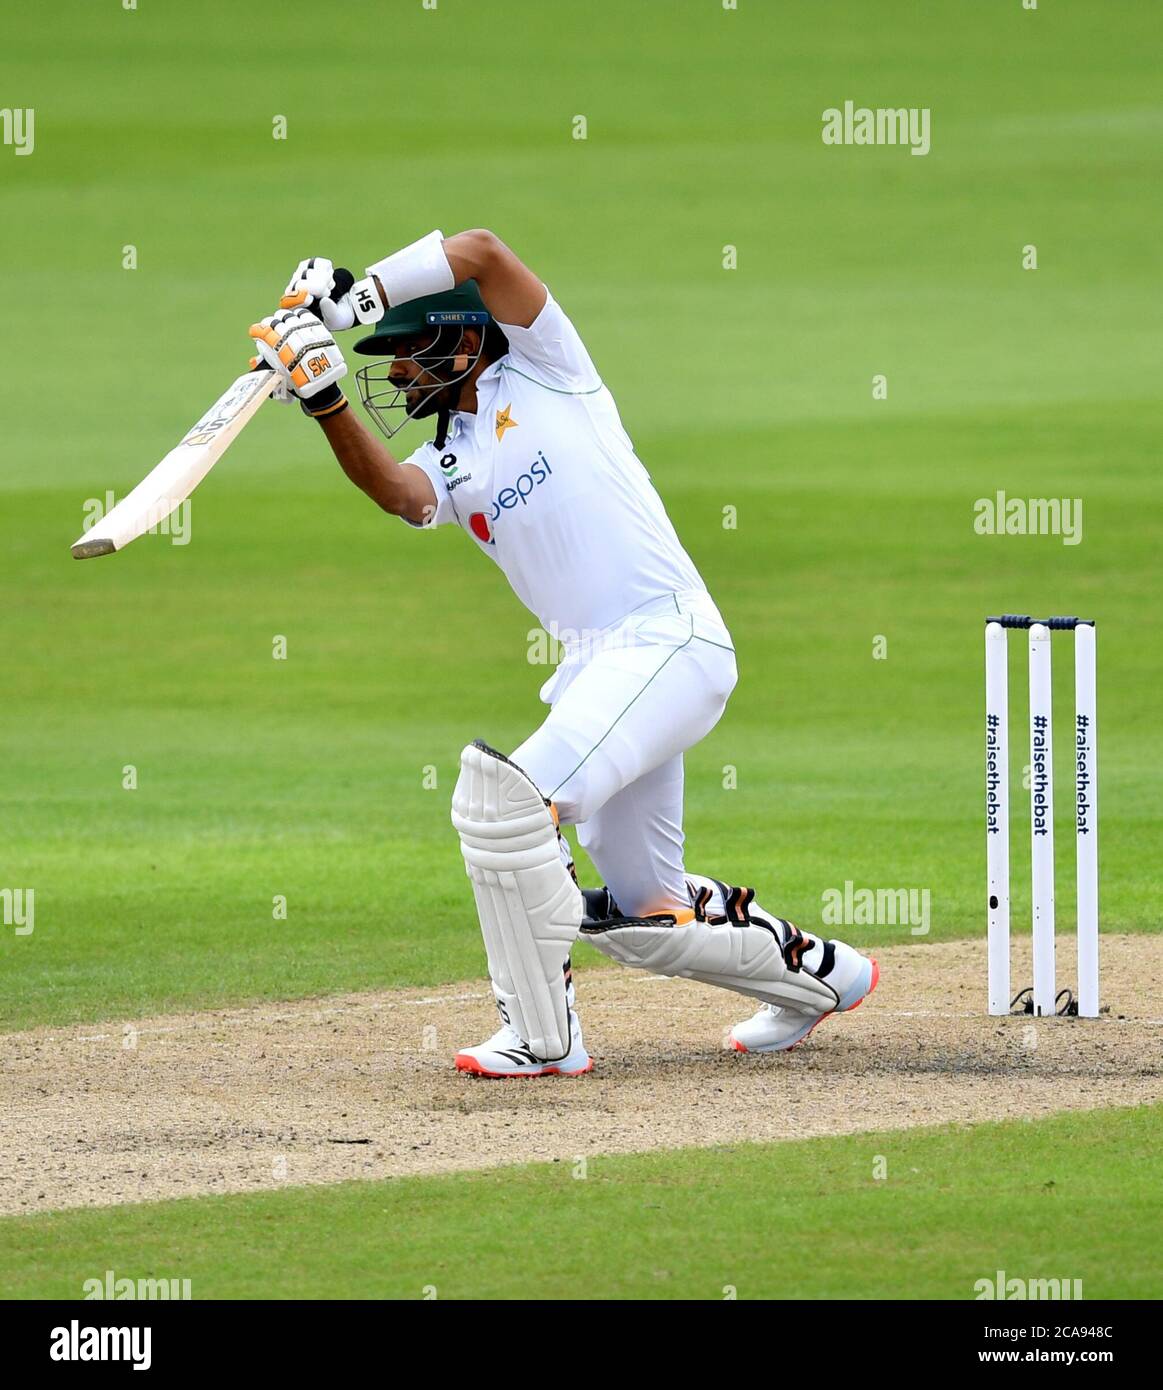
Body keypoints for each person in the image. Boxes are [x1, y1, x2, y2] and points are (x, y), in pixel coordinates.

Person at [248, 229, 878, 1078]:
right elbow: (398, 495)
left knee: (505, 805)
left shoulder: (548, 365)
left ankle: (543, 1040)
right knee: (646, 912)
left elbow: (479, 251)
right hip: (602, 668)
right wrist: (326, 401)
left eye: (402, 352)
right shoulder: (451, 451)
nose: (393, 372)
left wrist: (358, 301)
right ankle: (825, 979)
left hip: (667, 640)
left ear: (463, 340)